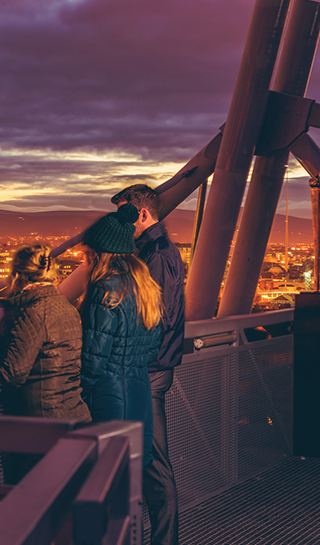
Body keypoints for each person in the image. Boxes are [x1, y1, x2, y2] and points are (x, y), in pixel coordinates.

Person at [0, 243, 91, 481]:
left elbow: (11, 373)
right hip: (73, 417)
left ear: (17, 275)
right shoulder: (67, 308)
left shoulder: (32, 311)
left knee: (27, 496)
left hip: (38, 428)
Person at [112, 184, 185, 545]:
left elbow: (159, 317)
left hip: (148, 370)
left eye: (125, 215)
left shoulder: (155, 254)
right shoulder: (157, 250)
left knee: (154, 466)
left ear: (141, 214)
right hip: (151, 367)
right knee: (146, 463)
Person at [79, 203, 162, 467]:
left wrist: (78, 395)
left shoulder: (105, 290)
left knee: (105, 470)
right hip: (139, 390)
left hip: (109, 396)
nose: (85, 261)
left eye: (88, 254)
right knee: (131, 470)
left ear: (100, 254)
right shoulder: (145, 286)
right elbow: (153, 348)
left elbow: (93, 359)